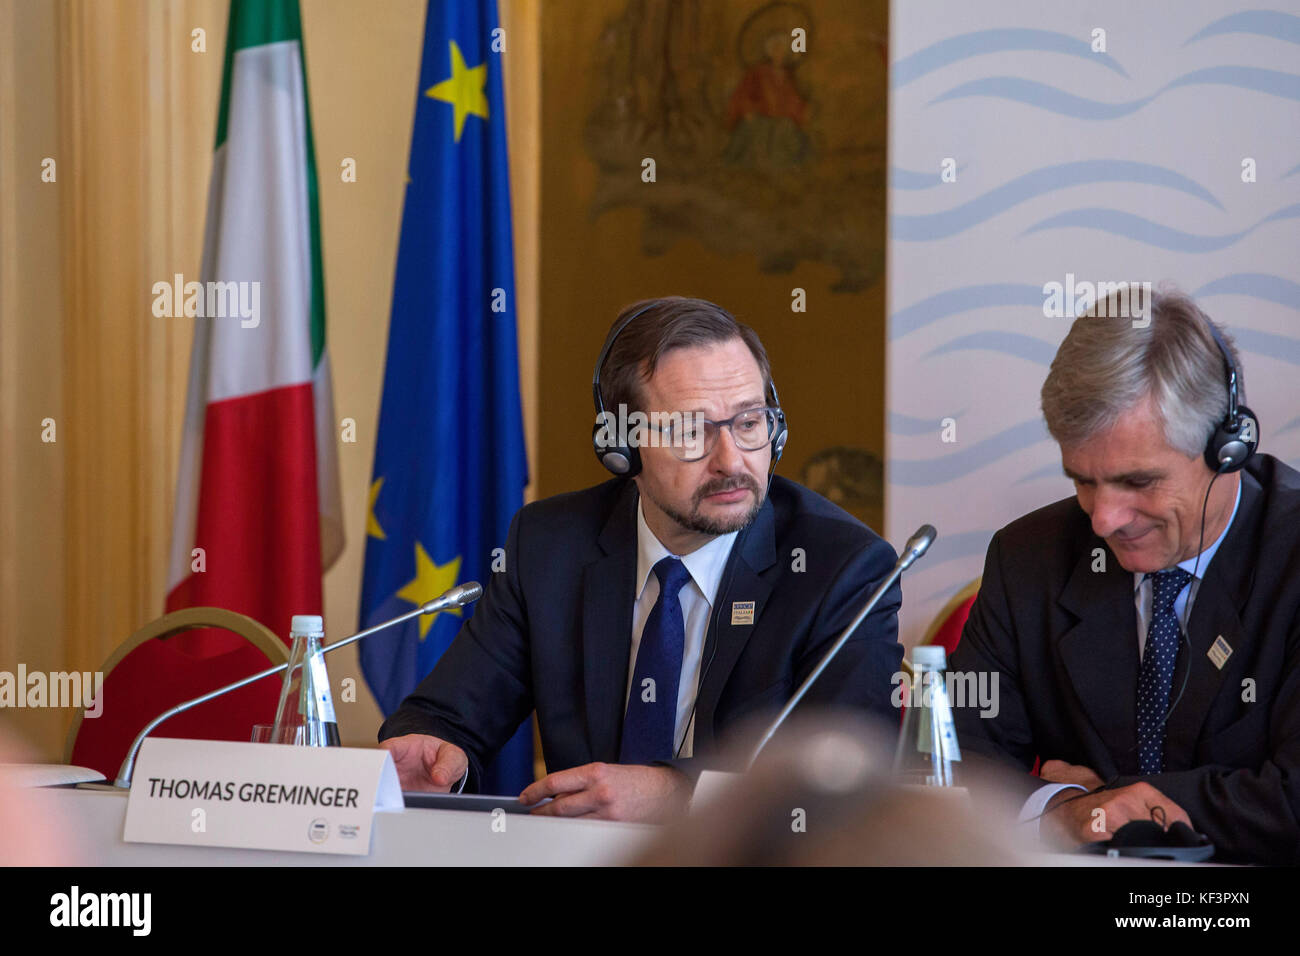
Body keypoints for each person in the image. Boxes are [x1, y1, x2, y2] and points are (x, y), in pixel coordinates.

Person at [378, 296, 904, 822]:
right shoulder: (549, 546)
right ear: (622, 449)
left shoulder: (842, 569)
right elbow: (449, 715)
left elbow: (845, 779)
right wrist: (431, 747)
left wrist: (676, 796)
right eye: (690, 431)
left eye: (749, 422)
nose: (731, 461)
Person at [950, 288, 1300, 864]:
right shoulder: (1027, 557)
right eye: (1083, 480)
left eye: (1138, 482)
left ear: (1227, 448)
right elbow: (958, 766)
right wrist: (1060, 807)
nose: (1104, 519)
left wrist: (1095, 805)